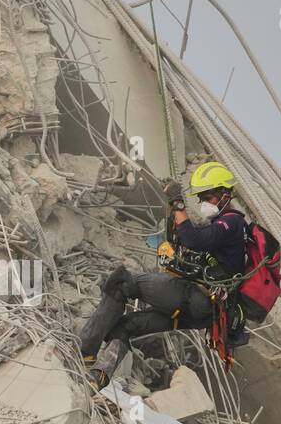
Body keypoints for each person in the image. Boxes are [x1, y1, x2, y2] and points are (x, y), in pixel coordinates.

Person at [80, 161, 249, 387]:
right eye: (201, 198)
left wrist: (177, 202)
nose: (203, 203)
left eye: (207, 197)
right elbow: (188, 239)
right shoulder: (220, 226)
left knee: (123, 282)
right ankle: (98, 377)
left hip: (196, 297)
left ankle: (84, 352)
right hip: (202, 313)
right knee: (126, 326)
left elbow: (193, 239)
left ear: (224, 193)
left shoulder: (232, 222)